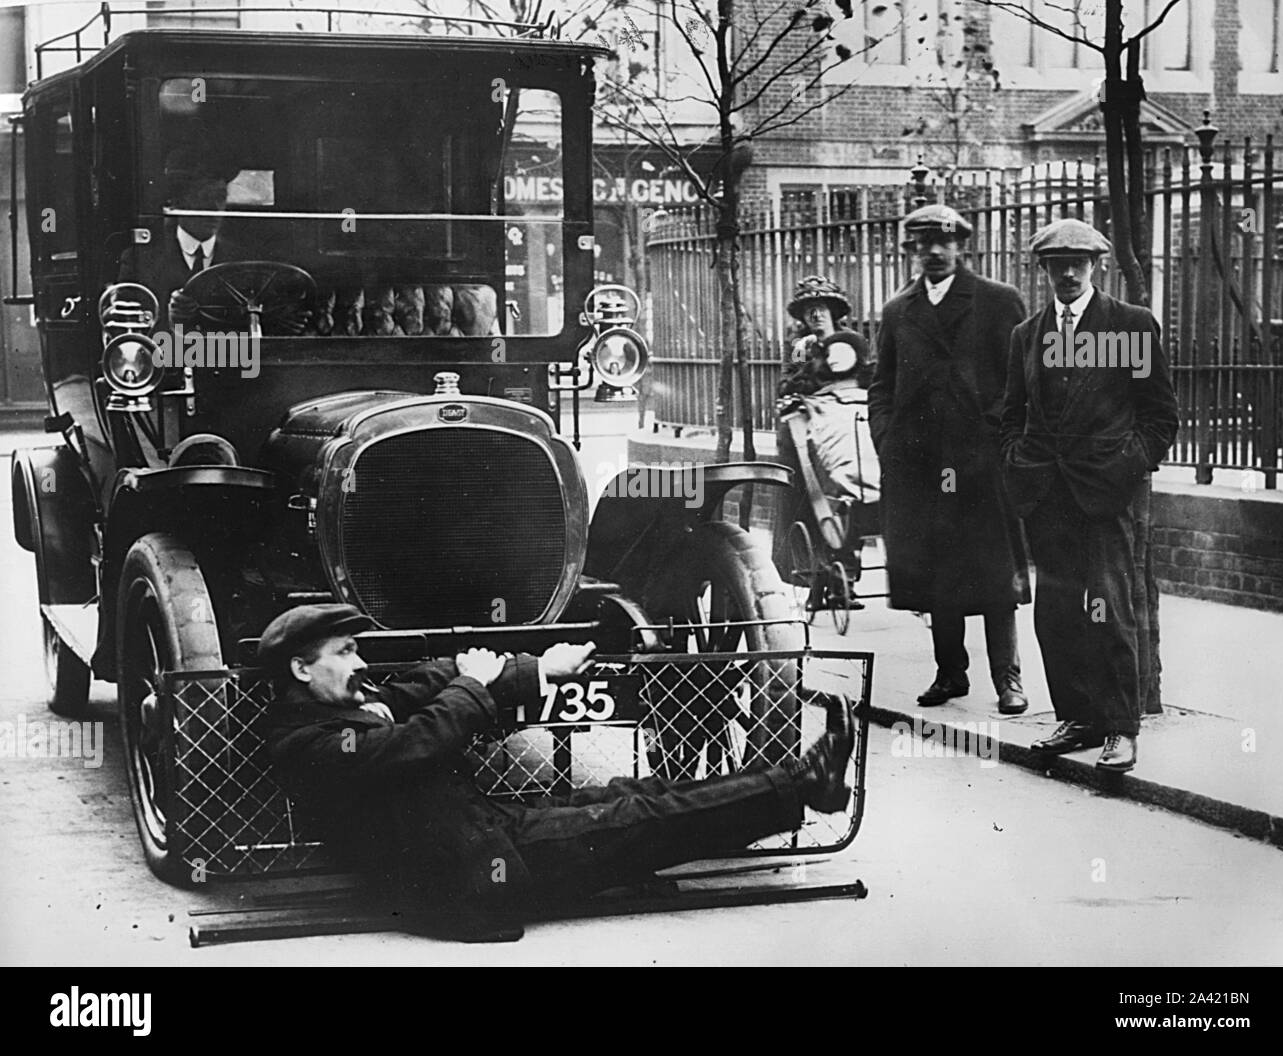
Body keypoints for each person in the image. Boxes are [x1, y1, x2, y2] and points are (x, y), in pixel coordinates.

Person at [257, 603, 856, 941]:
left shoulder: (338, 710)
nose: (360, 664)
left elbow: (419, 688)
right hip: (475, 875)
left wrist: (534, 666)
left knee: (638, 792)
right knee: (641, 818)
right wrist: (472, 684)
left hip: (482, 835)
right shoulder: (304, 741)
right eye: (344, 653)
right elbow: (421, 740)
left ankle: (804, 782)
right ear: (302, 670)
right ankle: (802, 783)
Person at [1001, 218, 1178, 772]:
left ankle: (1120, 727)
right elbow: (1011, 416)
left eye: (1079, 262)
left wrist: (1126, 468)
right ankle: (1076, 716)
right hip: (1048, 497)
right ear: (1045, 270)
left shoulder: (1130, 325)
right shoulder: (1028, 335)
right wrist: (1019, 464)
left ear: (1096, 265)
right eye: (1058, 264)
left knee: (1109, 607)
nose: (1069, 272)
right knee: (1055, 613)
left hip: (1106, 496)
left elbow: (1160, 416)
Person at [867, 205, 1032, 715]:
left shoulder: (998, 302)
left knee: (994, 571)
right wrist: (888, 441)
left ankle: (1008, 679)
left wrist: (1000, 439)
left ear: (963, 246)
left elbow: (1022, 382)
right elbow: (882, 386)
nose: (934, 252)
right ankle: (950, 673)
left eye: (944, 242)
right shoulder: (898, 311)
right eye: (923, 244)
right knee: (938, 572)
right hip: (920, 466)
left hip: (981, 463)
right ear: (912, 250)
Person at [773, 276, 877, 611]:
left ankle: (844, 581)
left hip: (847, 421)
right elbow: (786, 386)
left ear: (834, 311)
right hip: (810, 426)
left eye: (822, 308)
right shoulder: (800, 348)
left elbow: (868, 378)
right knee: (811, 495)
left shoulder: (851, 344)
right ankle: (816, 581)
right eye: (810, 310)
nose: (816, 315)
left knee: (849, 487)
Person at [116, 146, 246, 331]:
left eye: (220, 197)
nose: (215, 208)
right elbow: (127, 330)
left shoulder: (242, 261)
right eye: (203, 198)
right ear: (178, 202)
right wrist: (167, 319)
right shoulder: (139, 261)